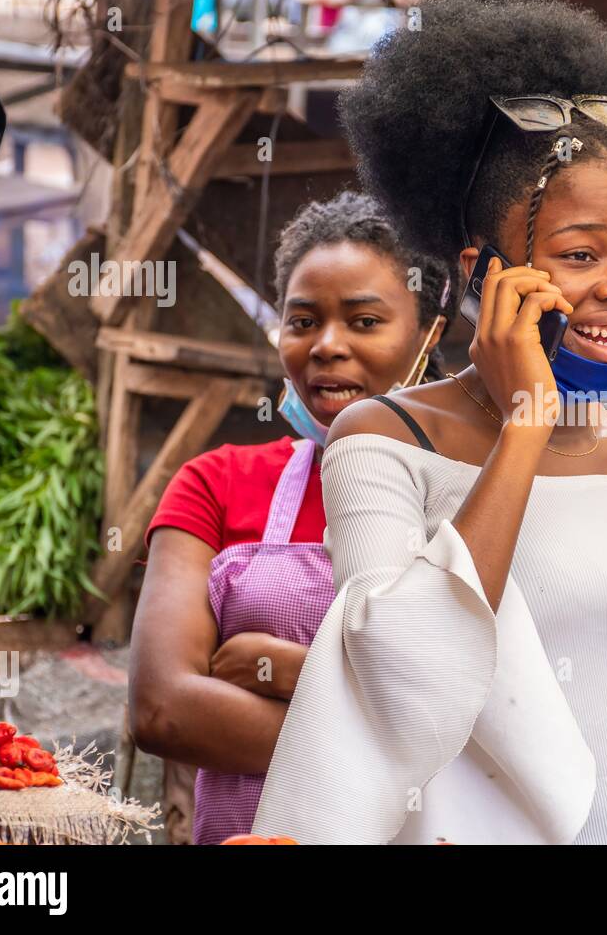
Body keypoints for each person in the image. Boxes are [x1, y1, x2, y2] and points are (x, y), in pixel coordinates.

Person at [252, 0, 607, 845]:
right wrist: (526, 421)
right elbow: (401, 680)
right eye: (579, 255)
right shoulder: (386, 442)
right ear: (483, 271)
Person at [128, 191, 451, 845]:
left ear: (429, 335)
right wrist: (392, 734)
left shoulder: (472, 494)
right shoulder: (215, 484)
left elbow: (491, 723)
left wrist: (290, 670)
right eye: (302, 321)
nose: (326, 346)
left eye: (364, 321)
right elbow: (162, 711)